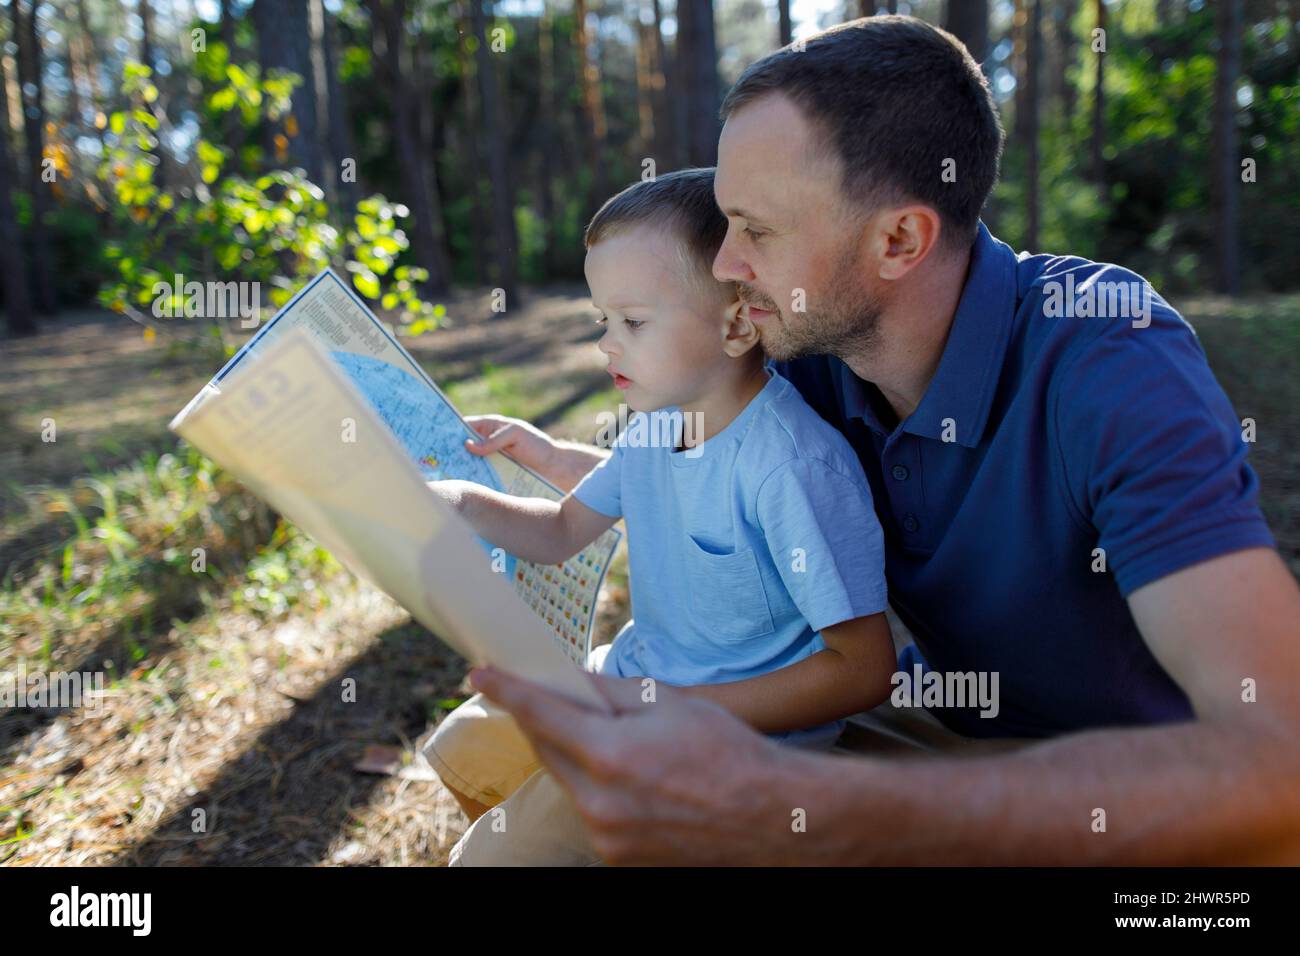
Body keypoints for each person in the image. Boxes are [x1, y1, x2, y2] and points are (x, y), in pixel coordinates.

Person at [456, 16, 1300, 864]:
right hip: (924, 724)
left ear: (898, 239)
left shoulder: (1109, 362)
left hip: (1121, 811)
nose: (724, 265)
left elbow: (1280, 757)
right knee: (499, 761)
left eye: (757, 230)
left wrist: (821, 802)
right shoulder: (805, 349)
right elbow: (696, 473)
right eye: (724, 223)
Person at [422, 168, 897, 865]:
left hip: (739, 739)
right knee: (471, 740)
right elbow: (558, 532)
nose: (606, 345)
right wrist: (461, 503)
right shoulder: (654, 427)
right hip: (637, 681)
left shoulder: (790, 467)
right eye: (602, 322)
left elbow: (862, 669)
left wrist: (682, 710)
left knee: (497, 857)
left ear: (737, 322)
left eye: (633, 322)